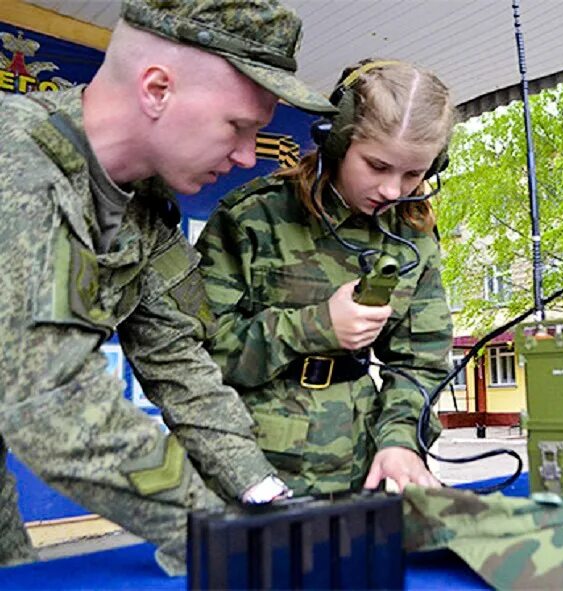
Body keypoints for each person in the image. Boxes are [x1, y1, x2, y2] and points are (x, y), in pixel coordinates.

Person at [0, 0, 334, 575]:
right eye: (239, 127)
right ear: (157, 89)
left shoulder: (143, 210)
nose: (247, 156)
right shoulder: (19, 168)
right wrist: (211, 530)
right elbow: (57, 407)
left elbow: (179, 364)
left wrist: (262, 494)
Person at [195, 60, 455, 495]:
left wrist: (400, 442)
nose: (393, 190)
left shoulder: (412, 238)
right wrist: (317, 325)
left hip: (358, 471)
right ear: (336, 141)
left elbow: (420, 362)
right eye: (377, 165)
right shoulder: (253, 218)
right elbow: (198, 357)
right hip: (248, 469)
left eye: (413, 174)